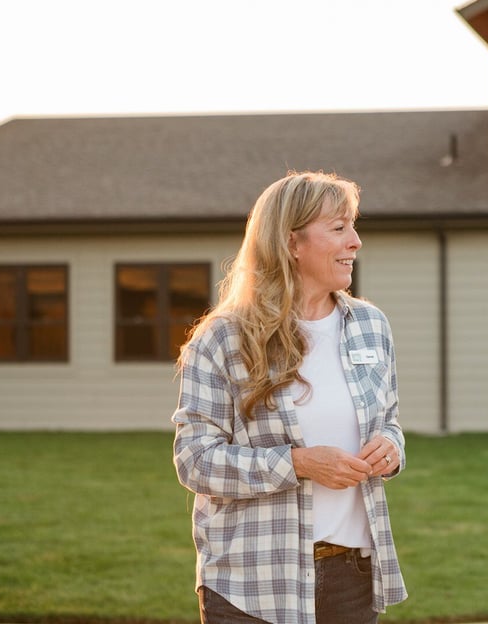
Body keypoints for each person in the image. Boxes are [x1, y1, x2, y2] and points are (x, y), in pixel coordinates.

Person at [172, 171, 407, 624]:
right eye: (338, 228)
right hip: (252, 582)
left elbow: (389, 420)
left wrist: (391, 449)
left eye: (353, 226)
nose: (355, 241)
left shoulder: (371, 325)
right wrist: (298, 464)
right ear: (291, 243)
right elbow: (194, 459)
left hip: (351, 577)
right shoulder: (223, 338)